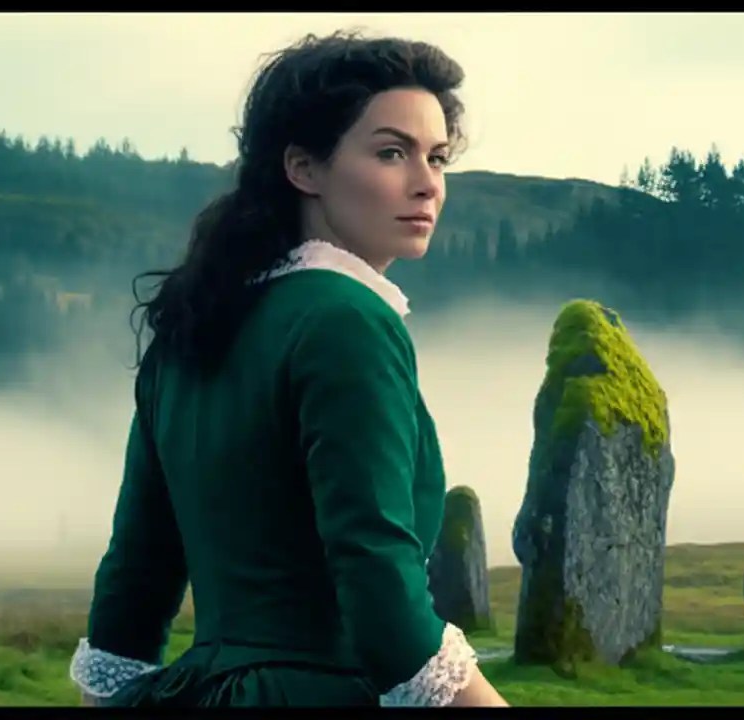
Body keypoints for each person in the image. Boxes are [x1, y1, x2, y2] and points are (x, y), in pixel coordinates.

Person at [68, 30, 509, 708]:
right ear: (304, 168)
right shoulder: (347, 320)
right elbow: (379, 585)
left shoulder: (193, 326)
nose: (427, 184)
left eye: (437, 157)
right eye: (391, 153)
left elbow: (135, 580)